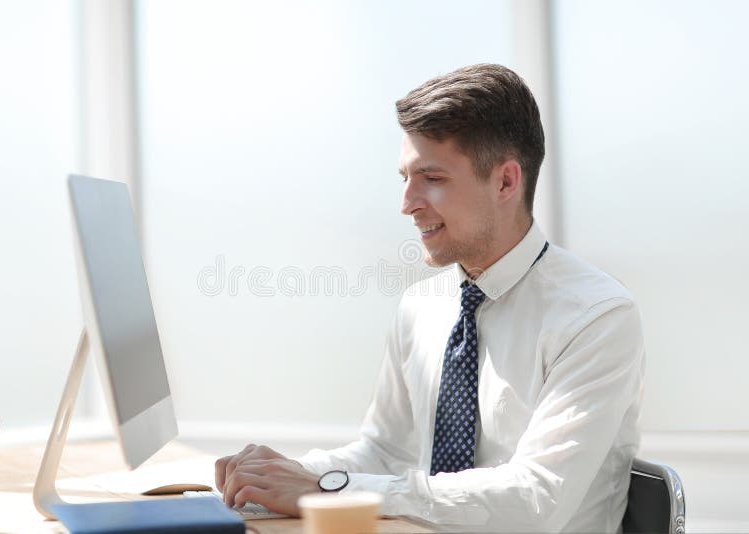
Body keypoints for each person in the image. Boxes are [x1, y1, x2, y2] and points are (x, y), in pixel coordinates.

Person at [215, 64, 644, 532]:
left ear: (505, 182)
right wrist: (289, 475)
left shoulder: (597, 318)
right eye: (404, 177)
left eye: (431, 178)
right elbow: (385, 450)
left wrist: (325, 490)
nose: (407, 202)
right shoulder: (421, 307)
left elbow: (534, 500)